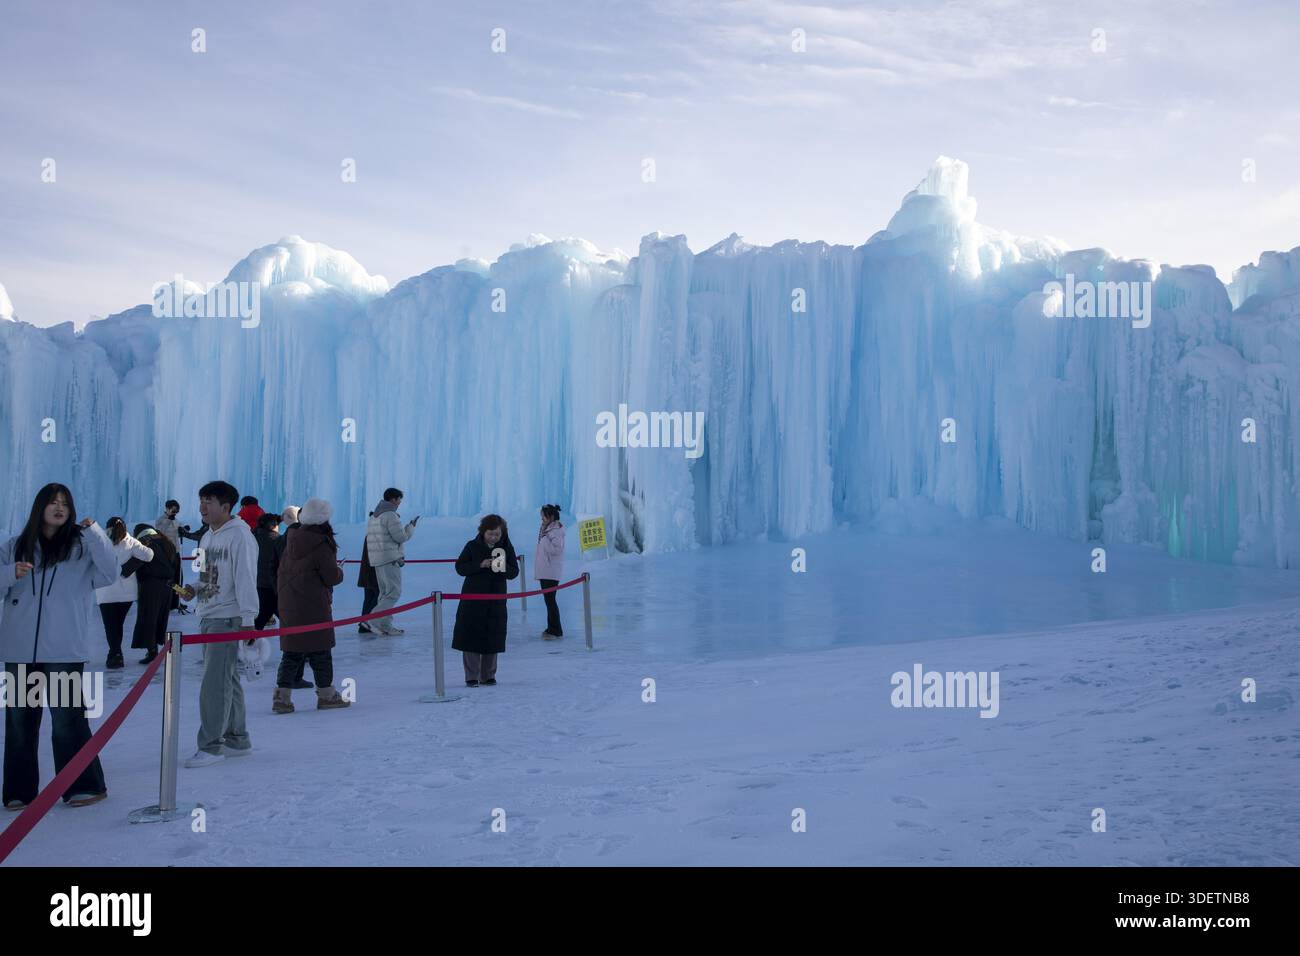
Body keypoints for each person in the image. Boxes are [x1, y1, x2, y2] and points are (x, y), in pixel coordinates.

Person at [0, 483, 117, 809]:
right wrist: (11, 574)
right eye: (53, 502)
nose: (59, 507)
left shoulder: (81, 548)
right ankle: (18, 792)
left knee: (68, 720)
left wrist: (94, 532)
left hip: (65, 650)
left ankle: (83, 786)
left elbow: (111, 572)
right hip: (18, 651)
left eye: (65, 502)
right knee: (19, 722)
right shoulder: (14, 548)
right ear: (40, 507)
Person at [176, 481, 259, 768]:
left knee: (214, 685)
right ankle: (237, 739)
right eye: (201, 501)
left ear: (226, 507)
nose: (202, 507)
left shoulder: (240, 537)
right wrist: (193, 589)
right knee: (227, 680)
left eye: (208, 502)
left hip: (227, 617)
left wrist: (249, 620)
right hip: (209, 613)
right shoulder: (208, 537)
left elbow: (246, 578)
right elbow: (208, 576)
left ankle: (211, 746)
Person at [273, 498, 350, 714]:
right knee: (321, 652)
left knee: (292, 652)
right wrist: (340, 571)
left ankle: (282, 698)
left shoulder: (291, 538)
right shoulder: (321, 543)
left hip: (290, 603)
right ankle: (326, 695)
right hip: (314, 604)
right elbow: (331, 577)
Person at [452, 514, 518, 687]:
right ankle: (471, 676)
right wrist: (480, 565)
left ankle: (488, 675)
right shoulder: (472, 546)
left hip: (495, 599)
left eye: (497, 534)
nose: (494, 537)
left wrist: (500, 567)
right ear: (483, 532)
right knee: (471, 636)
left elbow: (514, 572)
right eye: (491, 534)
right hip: (473, 599)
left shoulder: (506, 547)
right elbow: (460, 567)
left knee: (492, 636)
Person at [93, 517, 154, 669]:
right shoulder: (132, 542)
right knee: (118, 624)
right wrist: (134, 560)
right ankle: (115, 653)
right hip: (126, 593)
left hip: (106, 592)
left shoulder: (102, 542)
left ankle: (115, 654)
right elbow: (149, 555)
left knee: (111, 625)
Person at [122, 524, 180, 664]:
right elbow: (176, 569)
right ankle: (155, 647)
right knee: (160, 617)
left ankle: (152, 650)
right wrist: (179, 591)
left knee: (149, 618)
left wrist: (122, 571)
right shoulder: (168, 543)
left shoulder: (145, 543)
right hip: (167, 587)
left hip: (150, 587)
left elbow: (137, 561)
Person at [365, 489, 418, 636]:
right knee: (394, 593)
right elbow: (400, 537)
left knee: (384, 593)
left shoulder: (375, 515)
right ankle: (372, 620)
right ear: (393, 499)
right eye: (399, 499)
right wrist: (411, 527)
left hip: (377, 559)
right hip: (390, 559)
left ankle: (385, 625)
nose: (400, 503)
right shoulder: (390, 515)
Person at [535, 504, 566, 640]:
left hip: (550, 572)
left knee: (550, 601)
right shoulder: (548, 530)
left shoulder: (555, 531)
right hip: (546, 570)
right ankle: (552, 627)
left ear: (551, 517)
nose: (542, 521)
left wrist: (545, 539)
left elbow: (557, 549)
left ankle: (555, 630)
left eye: (543, 518)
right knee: (549, 601)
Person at [154, 499, 186, 613]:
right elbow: (160, 532)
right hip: (167, 554)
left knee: (178, 577)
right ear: (167, 509)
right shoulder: (160, 520)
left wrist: (184, 528)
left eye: (176, 510)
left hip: (176, 553)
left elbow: (180, 527)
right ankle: (166, 602)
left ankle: (176, 601)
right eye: (172, 510)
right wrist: (169, 520)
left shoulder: (176, 520)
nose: (174, 512)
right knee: (169, 579)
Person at [253, 513, 281, 630]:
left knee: (260, 618)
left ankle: (248, 642)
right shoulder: (279, 540)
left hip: (258, 584)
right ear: (273, 526)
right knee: (288, 619)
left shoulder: (252, 538)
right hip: (275, 585)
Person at [356, 513, 379, 634]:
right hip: (373, 574)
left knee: (369, 599)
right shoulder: (374, 536)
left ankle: (364, 625)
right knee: (376, 598)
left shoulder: (370, 535)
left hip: (367, 574)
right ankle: (366, 623)